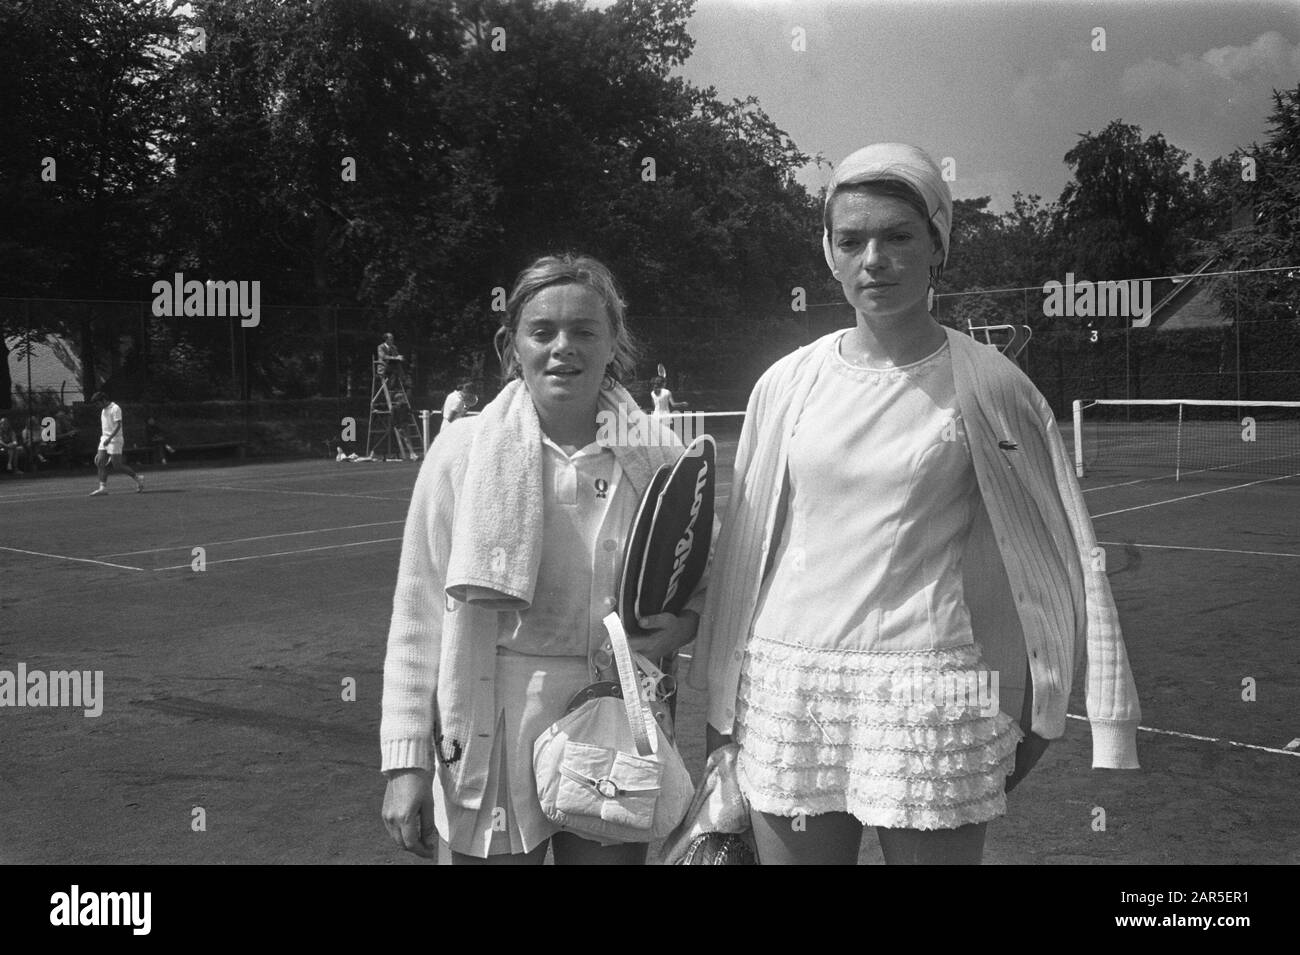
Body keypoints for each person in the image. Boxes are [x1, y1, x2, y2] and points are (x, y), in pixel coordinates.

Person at [690, 143, 1141, 865]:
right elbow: (747, 549)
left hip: (929, 691)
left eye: (898, 236)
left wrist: (1048, 701)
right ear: (830, 254)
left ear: (938, 247)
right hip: (791, 688)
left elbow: (1055, 549)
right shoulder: (785, 383)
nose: (875, 258)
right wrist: (721, 703)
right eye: (852, 239)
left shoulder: (993, 385)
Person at [381, 254, 705, 865]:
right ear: (512, 346)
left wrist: (682, 626)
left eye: (585, 331)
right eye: (543, 331)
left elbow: (698, 588)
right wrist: (405, 763)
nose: (564, 348)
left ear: (614, 343)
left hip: (615, 713)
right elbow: (417, 613)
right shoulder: (461, 451)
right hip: (492, 719)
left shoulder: (660, 456)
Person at [89, 392, 144, 495]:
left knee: (117, 465)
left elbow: (118, 426)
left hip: (115, 440)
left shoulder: (115, 408)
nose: (97, 406)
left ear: (103, 400)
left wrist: (109, 439)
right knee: (100, 462)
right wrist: (105, 441)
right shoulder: (103, 410)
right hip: (104, 439)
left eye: (98, 403)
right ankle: (103, 488)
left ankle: (138, 478)